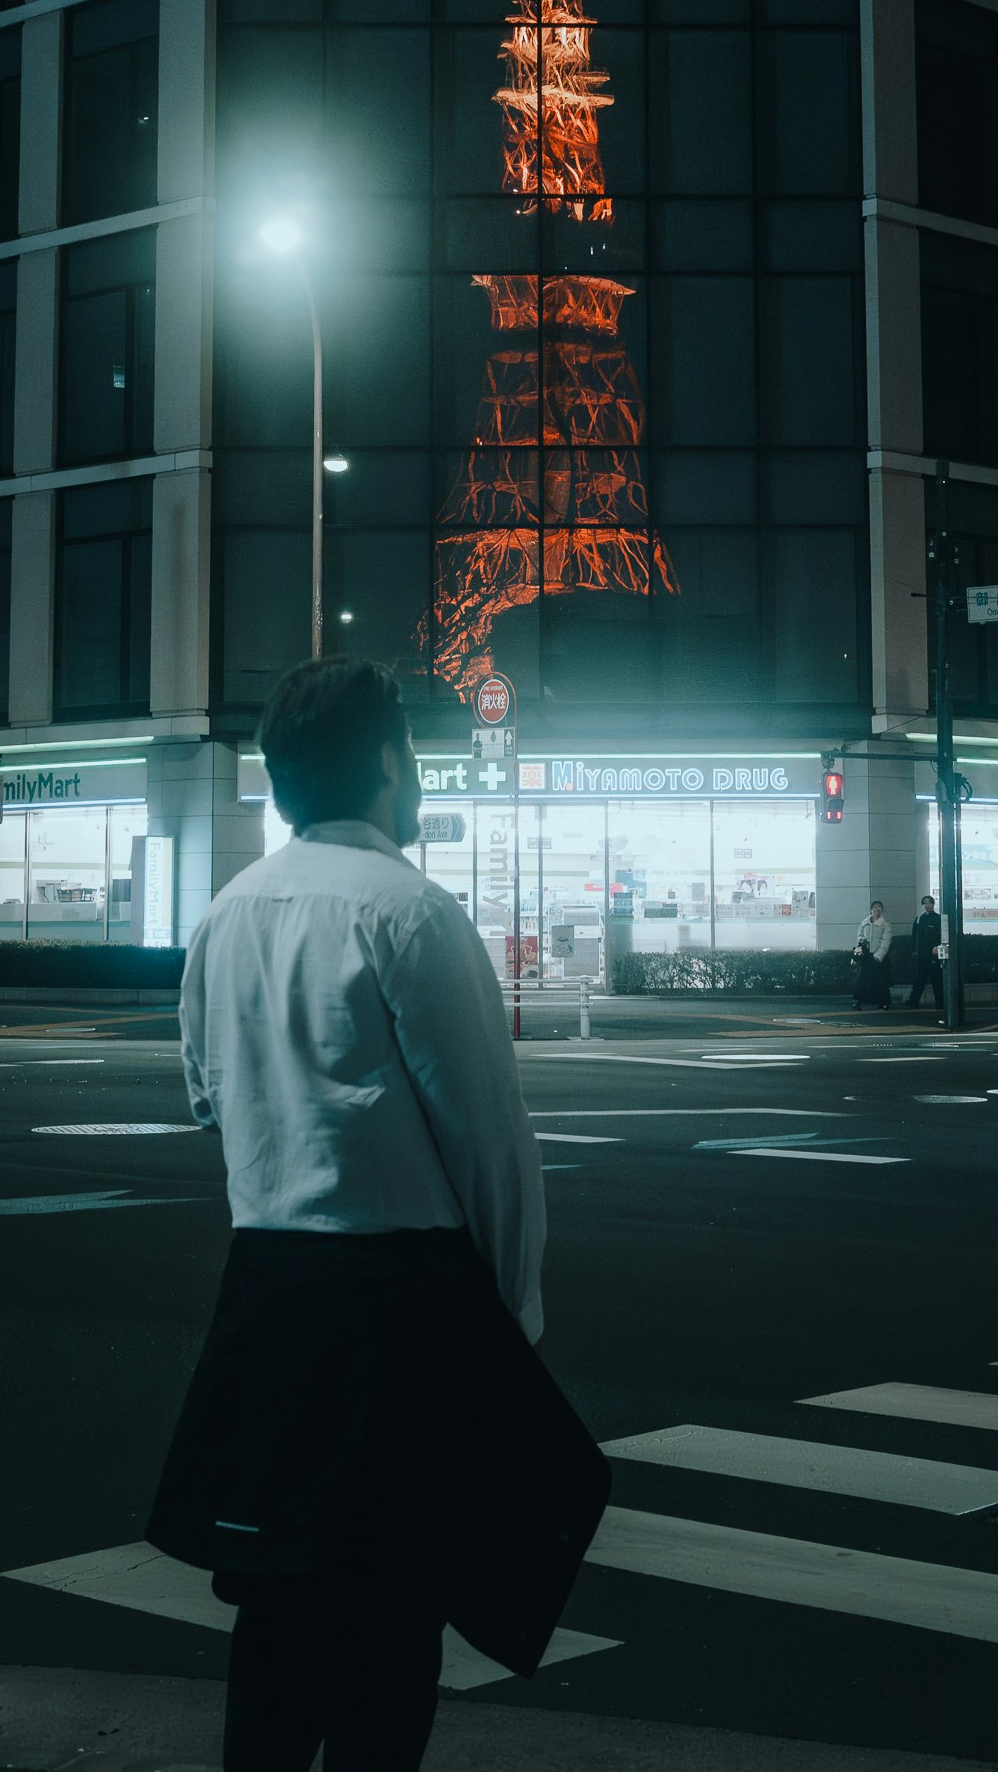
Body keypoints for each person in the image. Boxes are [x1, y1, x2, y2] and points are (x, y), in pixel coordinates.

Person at [147, 658, 608, 1771]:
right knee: (395, 1616)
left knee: (276, 1607)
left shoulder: (224, 917)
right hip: (404, 1299)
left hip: (270, 1292)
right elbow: (489, 1139)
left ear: (280, 779)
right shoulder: (410, 911)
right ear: (394, 766)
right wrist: (511, 1316)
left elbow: (208, 1100)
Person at [902, 893, 944, 1012]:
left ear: (933, 904)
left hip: (934, 953)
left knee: (936, 978)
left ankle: (940, 1003)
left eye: (929, 902)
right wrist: (915, 950)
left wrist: (937, 947)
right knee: (920, 977)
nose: (927, 905)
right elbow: (915, 936)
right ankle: (914, 1000)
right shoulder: (920, 919)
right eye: (925, 903)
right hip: (922, 953)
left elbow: (941, 935)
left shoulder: (938, 918)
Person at [849, 899, 893, 1008]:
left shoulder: (885, 925)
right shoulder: (864, 923)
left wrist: (878, 956)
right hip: (866, 956)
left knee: (880, 981)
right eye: (875, 907)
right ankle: (859, 1002)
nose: (877, 909)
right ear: (871, 910)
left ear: (882, 910)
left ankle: (884, 1002)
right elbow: (859, 938)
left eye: (879, 907)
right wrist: (856, 956)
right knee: (863, 980)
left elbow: (886, 942)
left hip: (878, 958)